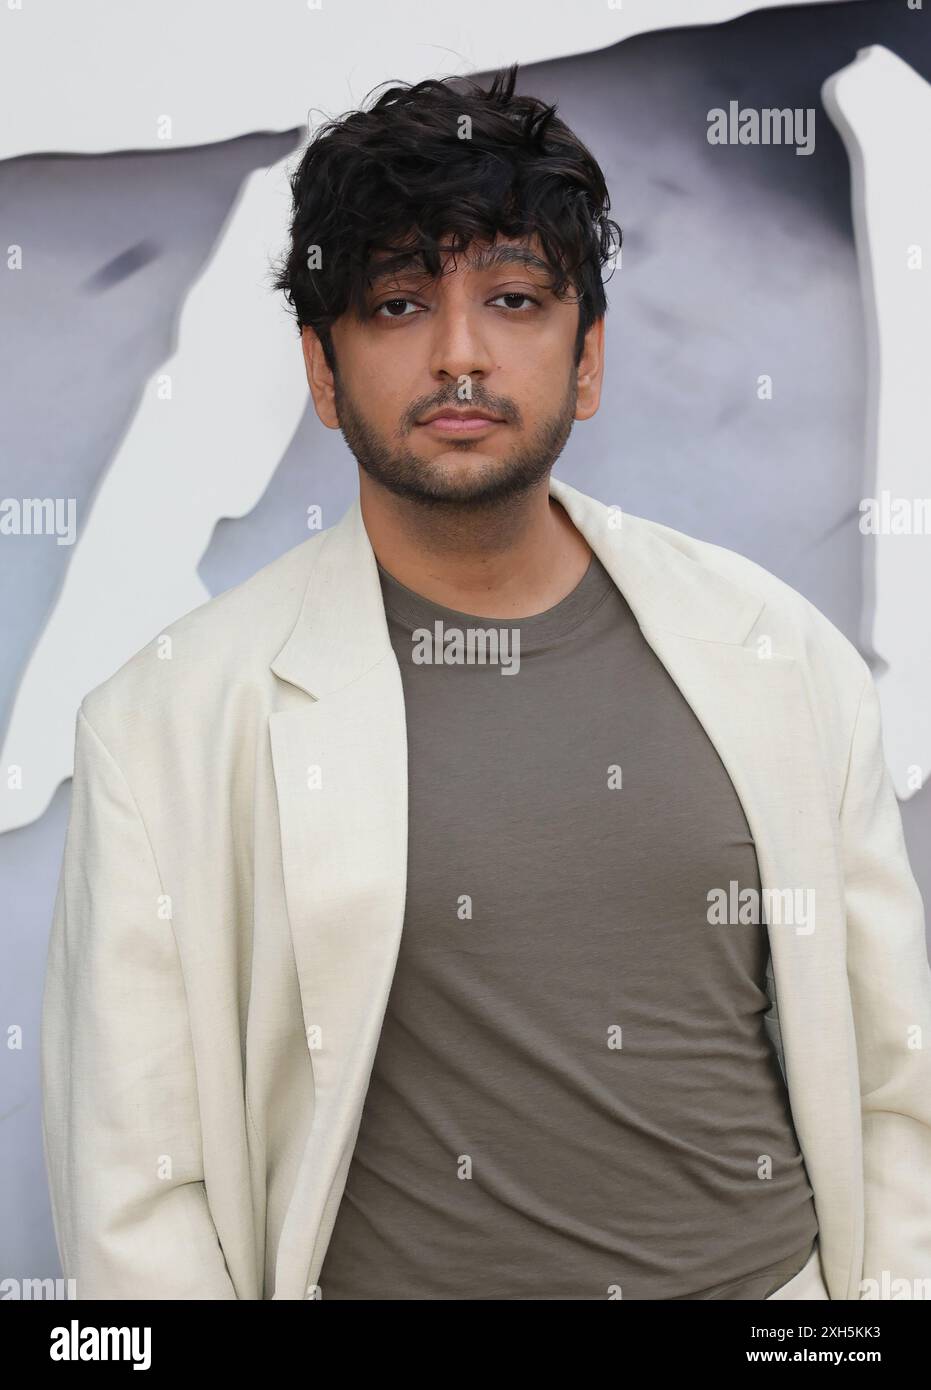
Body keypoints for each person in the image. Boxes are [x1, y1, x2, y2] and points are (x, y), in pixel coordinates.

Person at [41, 65, 931, 1301]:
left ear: (586, 357)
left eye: (513, 298)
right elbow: (140, 1193)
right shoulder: (163, 729)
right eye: (399, 304)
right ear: (320, 366)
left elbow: (896, 1087)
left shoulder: (777, 653)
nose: (460, 354)